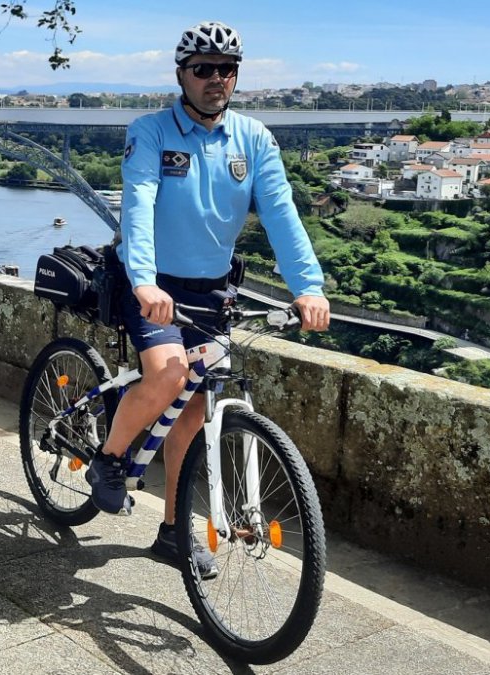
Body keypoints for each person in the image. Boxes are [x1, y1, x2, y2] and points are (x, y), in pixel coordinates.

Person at [88, 22, 331, 576]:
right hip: (150, 282)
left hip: (213, 290)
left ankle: (174, 531)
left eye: (226, 69)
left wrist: (308, 287)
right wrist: (145, 281)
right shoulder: (150, 132)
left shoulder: (254, 139)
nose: (216, 78)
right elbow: (139, 205)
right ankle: (108, 458)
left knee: (194, 414)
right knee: (170, 375)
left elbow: (281, 216)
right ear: (182, 75)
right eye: (203, 69)